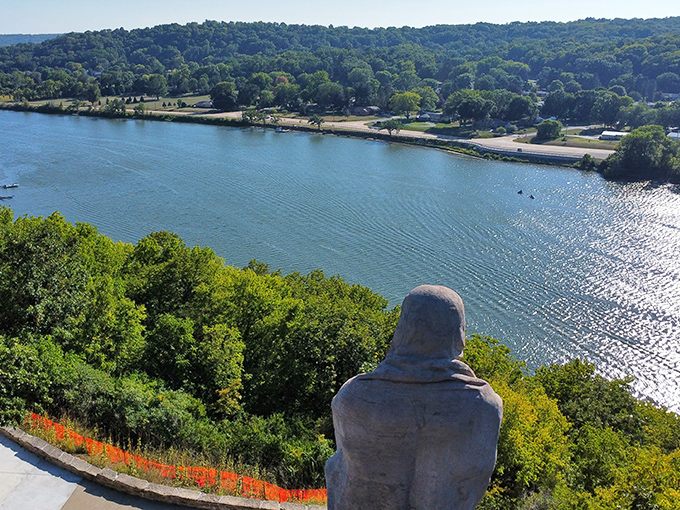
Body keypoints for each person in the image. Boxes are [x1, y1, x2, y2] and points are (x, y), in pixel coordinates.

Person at [325, 285, 503, 510]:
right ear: (458, 334)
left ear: (404, 329)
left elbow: (341, 470)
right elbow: (472, 486)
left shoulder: (353, 396)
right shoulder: (485, 407)